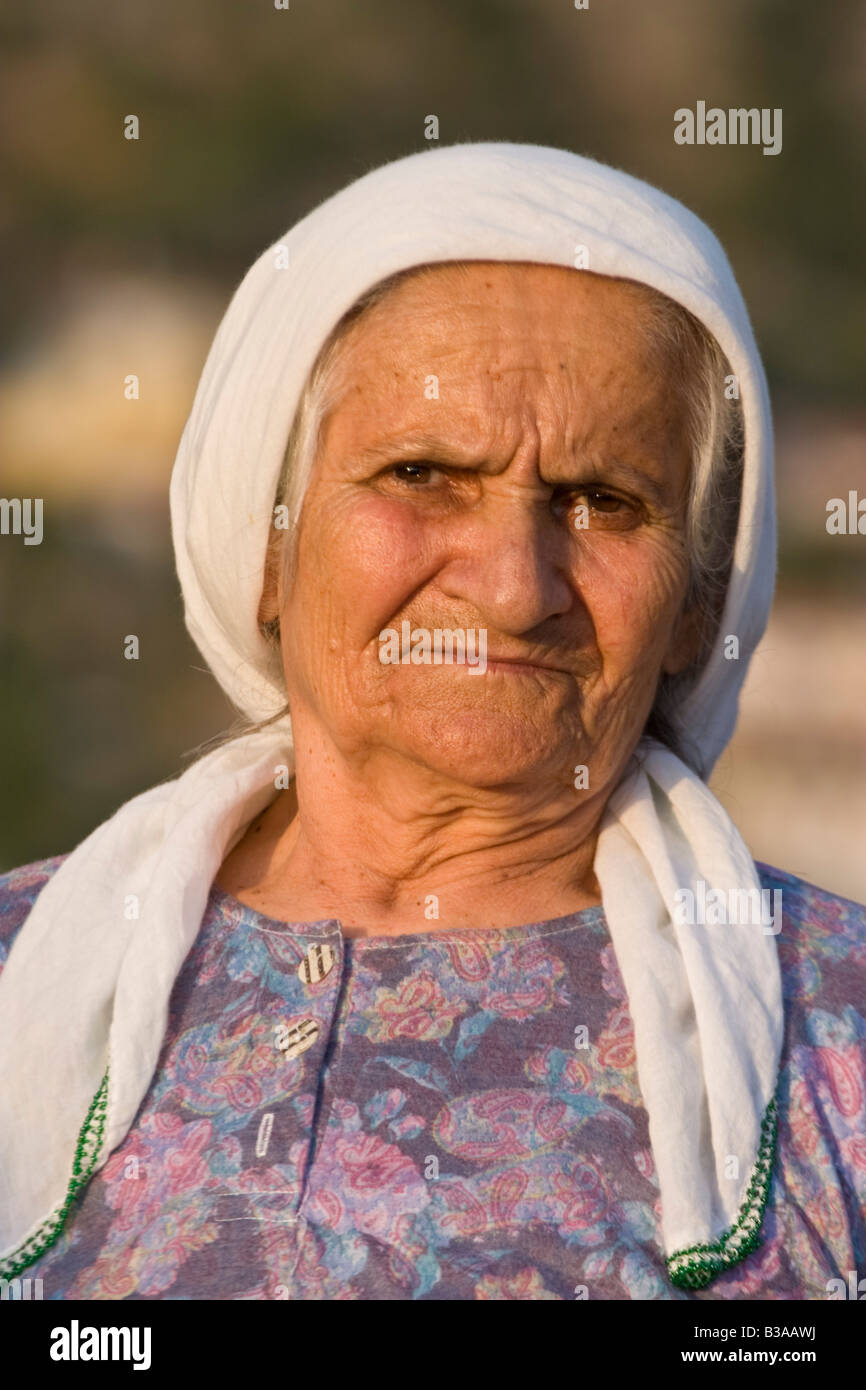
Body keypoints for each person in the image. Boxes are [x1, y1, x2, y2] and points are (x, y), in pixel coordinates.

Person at [0, 142, 863, 1301]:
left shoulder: (831, 1036)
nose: (513, 585)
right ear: (267, 541)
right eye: (422, 474)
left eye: (602, 501)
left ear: (693, 603)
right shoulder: (27, 963)